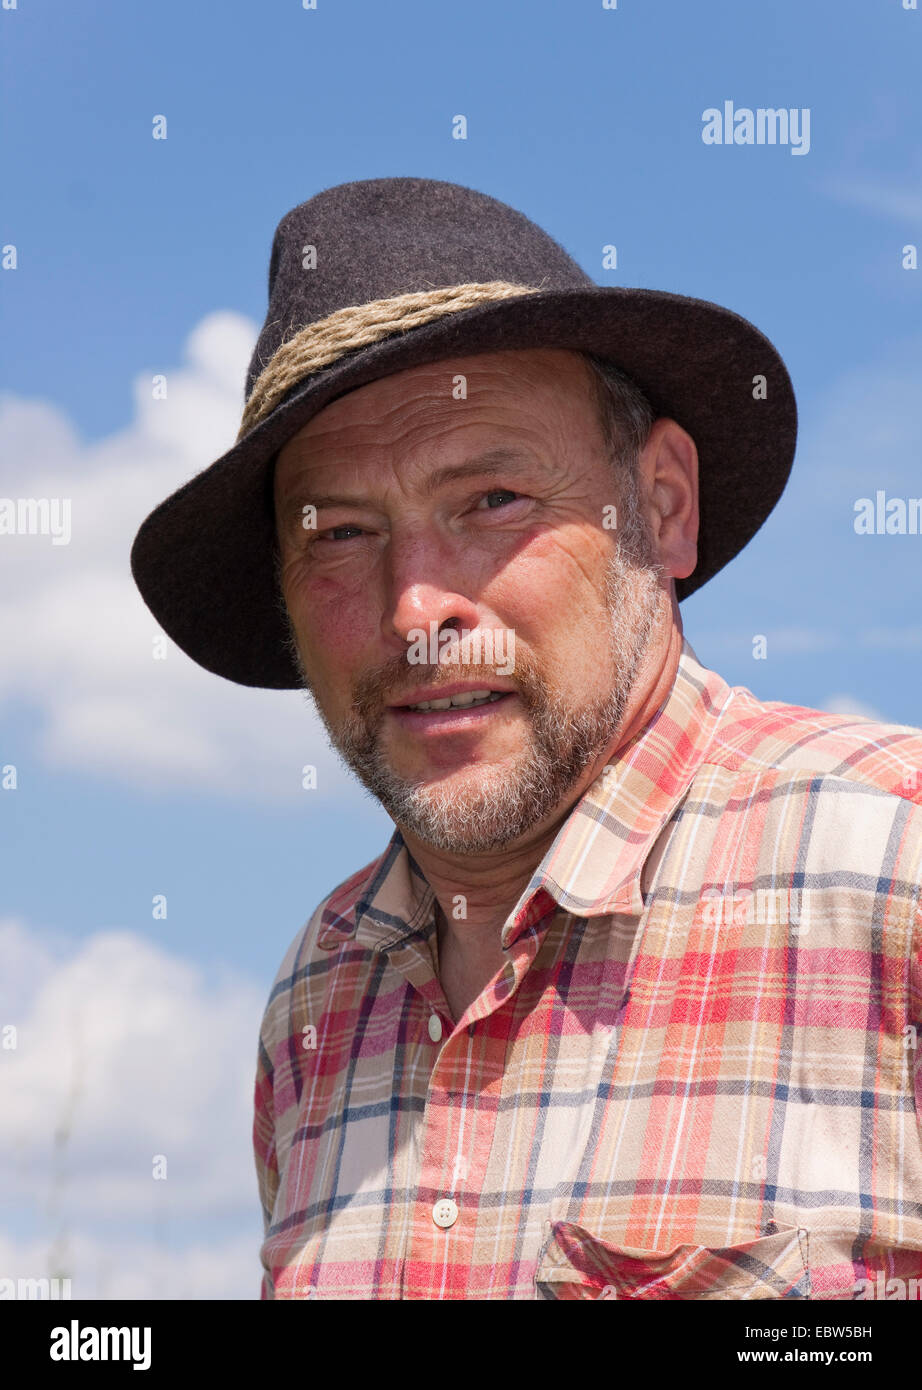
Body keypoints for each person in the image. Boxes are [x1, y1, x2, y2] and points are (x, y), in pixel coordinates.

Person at [131, 177, 922, 1301]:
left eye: (493, 498)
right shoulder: (318, 996)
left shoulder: (894, 864)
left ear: (660, 505)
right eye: (342, 533)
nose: (416, 608)